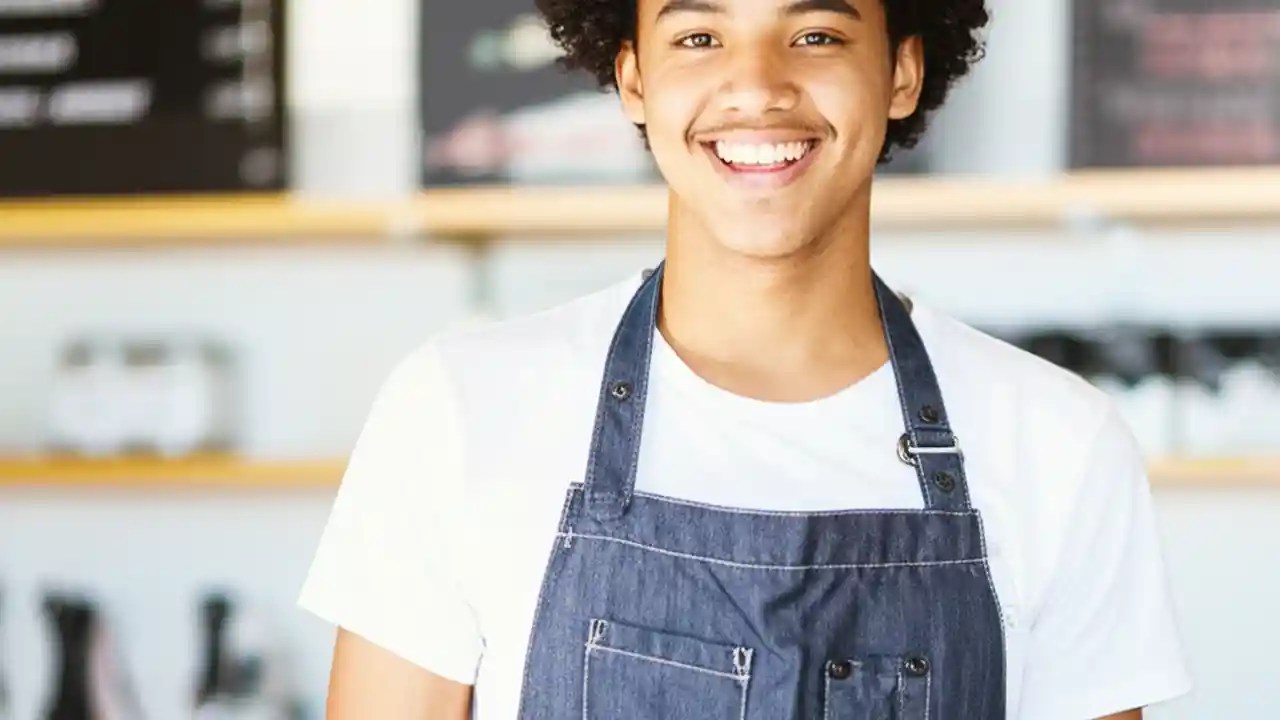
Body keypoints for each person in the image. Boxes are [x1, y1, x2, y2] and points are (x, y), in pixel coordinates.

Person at [299, 0, 1193, 718]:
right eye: (699, 35)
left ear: (902, 72)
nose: (758, 85)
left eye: (815, 34)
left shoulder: (1061, 444)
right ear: (633, 80)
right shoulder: (457, 409)